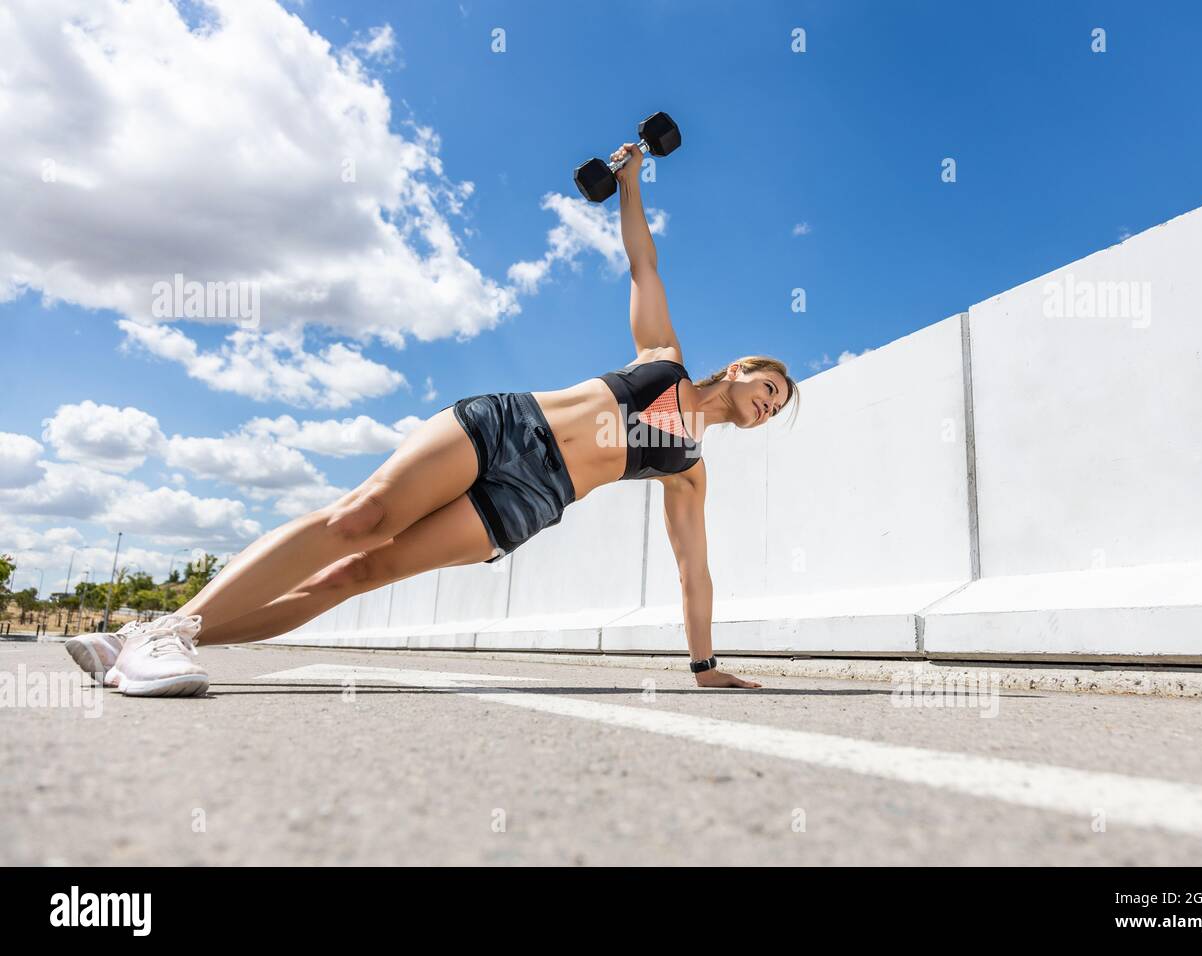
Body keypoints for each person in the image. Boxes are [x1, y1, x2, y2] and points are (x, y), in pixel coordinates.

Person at [65, 142, 799, 697]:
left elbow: (692, 570)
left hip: (527, 501)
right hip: (507, 428)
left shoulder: (689, 470)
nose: (771, 404)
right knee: (361, 516)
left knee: (359, 571)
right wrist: (631, 186)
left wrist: (704, 668)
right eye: (772, 386)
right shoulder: (664, 355)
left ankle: (149, 644)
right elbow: (645, 266)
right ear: (739, 368)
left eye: (777, 410)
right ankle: (164, 632)